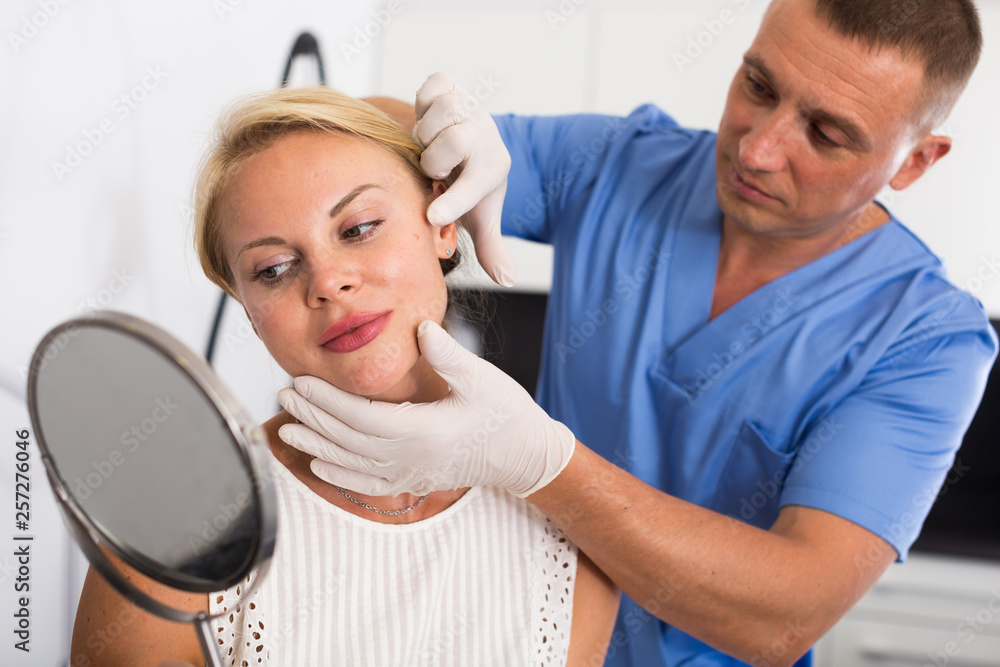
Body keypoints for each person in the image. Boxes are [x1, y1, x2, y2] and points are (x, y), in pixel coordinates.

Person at [273, 1, 999, 665]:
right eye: (758, 85)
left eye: (827, 133)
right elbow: (359, 139)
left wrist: (540, 463)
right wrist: (426, 137)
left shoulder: (925, 340)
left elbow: (785, 616)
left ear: (915, 161)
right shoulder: (625, 166)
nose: (757, 149)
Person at [69, 86, 620, 667]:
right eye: (274, 269)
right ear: (250, 314)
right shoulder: (175, 525)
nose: (328, 281)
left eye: (358, 228)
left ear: (444, 225)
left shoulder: (572, 543)